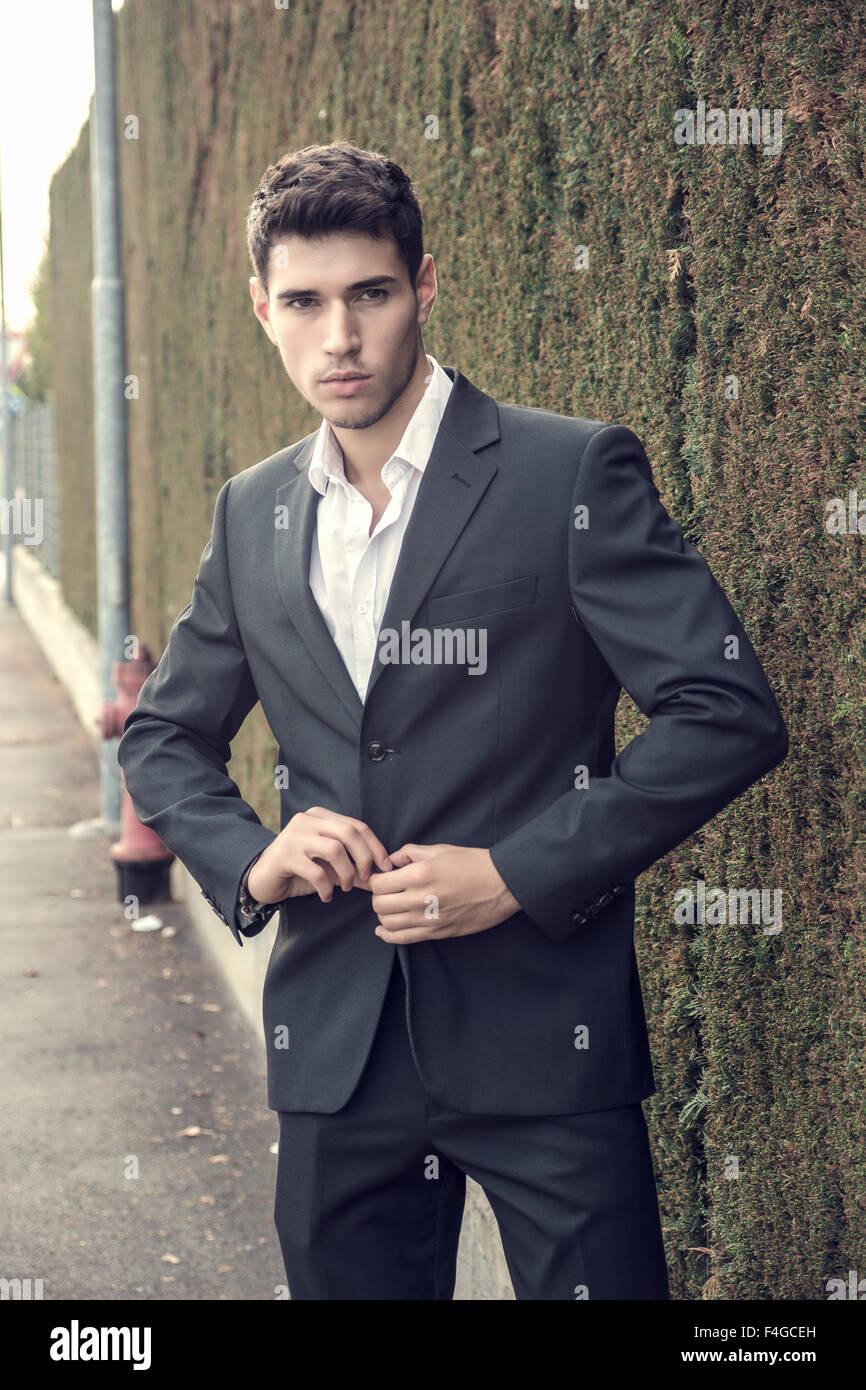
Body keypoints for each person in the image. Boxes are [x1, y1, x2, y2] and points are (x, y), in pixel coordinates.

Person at [117, 141, 788, 1300]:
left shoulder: (567, 471)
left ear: (422, 287)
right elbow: (164, 737)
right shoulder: (250, 514)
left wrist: (517, 871)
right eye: (304, 302)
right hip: (335, 1053)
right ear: (260, 310)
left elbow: (724, 710)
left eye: (369, 294)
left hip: (545, 1044)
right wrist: (254, 856)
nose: (339, 336)